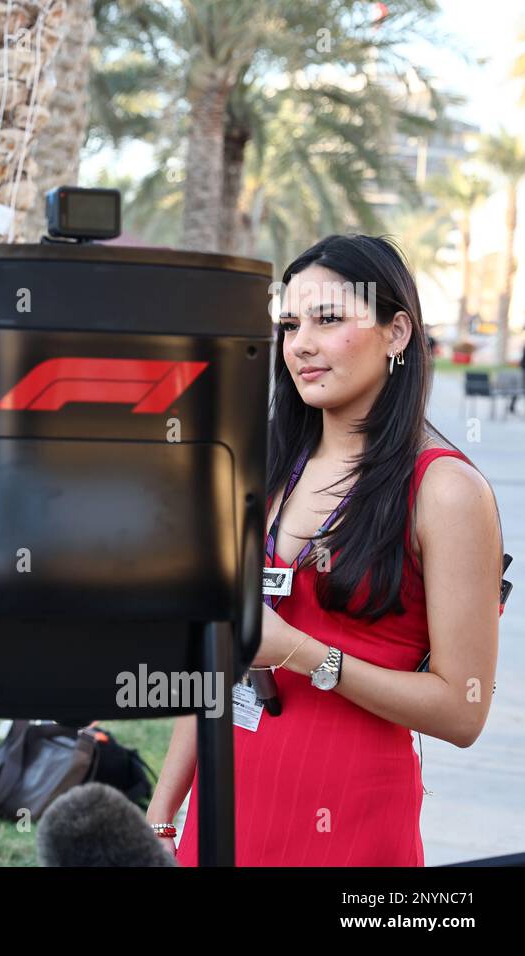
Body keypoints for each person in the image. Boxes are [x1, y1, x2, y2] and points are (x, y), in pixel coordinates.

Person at [147, 235, 502, 866]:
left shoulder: (446, 491)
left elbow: (462, 712)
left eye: (329, 319)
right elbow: (217, 658)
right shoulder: (265, 468)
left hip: (351, 819)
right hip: (226, 806)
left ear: (397, 334)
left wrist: (303, 653)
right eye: (289, 324)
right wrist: (162, 813)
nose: (301, 343)